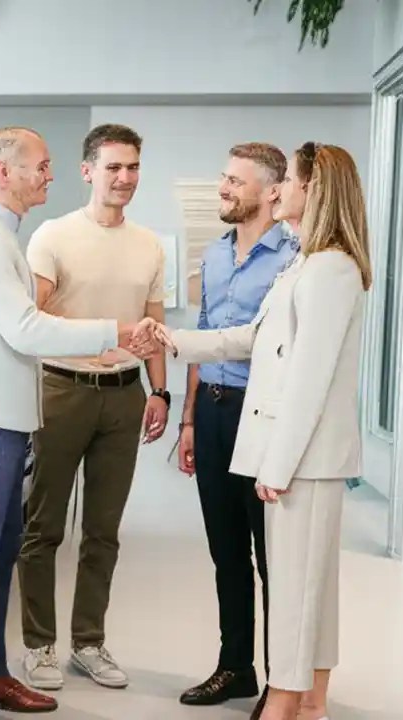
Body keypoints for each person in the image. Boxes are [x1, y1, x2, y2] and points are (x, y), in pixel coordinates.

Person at [0, 125, 159, 720]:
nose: (49, 174)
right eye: (41, 165)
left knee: (0, 554)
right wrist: (114, 332)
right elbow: (25, 329)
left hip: (7, 421)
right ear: (6, 172)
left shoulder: (3, 236)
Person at [149, 141, 372, 720]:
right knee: (308, 588)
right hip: (291, 449)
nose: (285, 191)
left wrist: (275, 466)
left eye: (293, 181)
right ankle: (312, 702)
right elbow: (249, 338)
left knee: (296, 588)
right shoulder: (308, 265)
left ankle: (285, 704)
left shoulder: (329, 270)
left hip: (303, 456)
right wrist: (172, 342)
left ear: (309, 190)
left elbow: (309, 381)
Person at [16, 123, 168, 692]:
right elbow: (33, 319)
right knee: (44, 527)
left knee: (104, 530)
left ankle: (88, 642)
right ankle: (38, 645)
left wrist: (159, 391)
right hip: (62, 389)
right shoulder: (53, 237)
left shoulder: (148, 245)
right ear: (88, 172)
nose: (124, 178)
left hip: (124, 398)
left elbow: (153, 325)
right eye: (113, 168)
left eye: (132, 168)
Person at [177, 143, 299, 708]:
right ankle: (235, 667)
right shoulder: (216, 254)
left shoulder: (295, 260)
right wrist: (189, 421)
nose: (223, 188)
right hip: (215, 409)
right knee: (225, 549)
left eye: (234, 180)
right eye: (222, 177)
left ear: (272, 192)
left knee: (271, 556)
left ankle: (282, 680)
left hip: (263, 414)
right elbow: (204, 339)